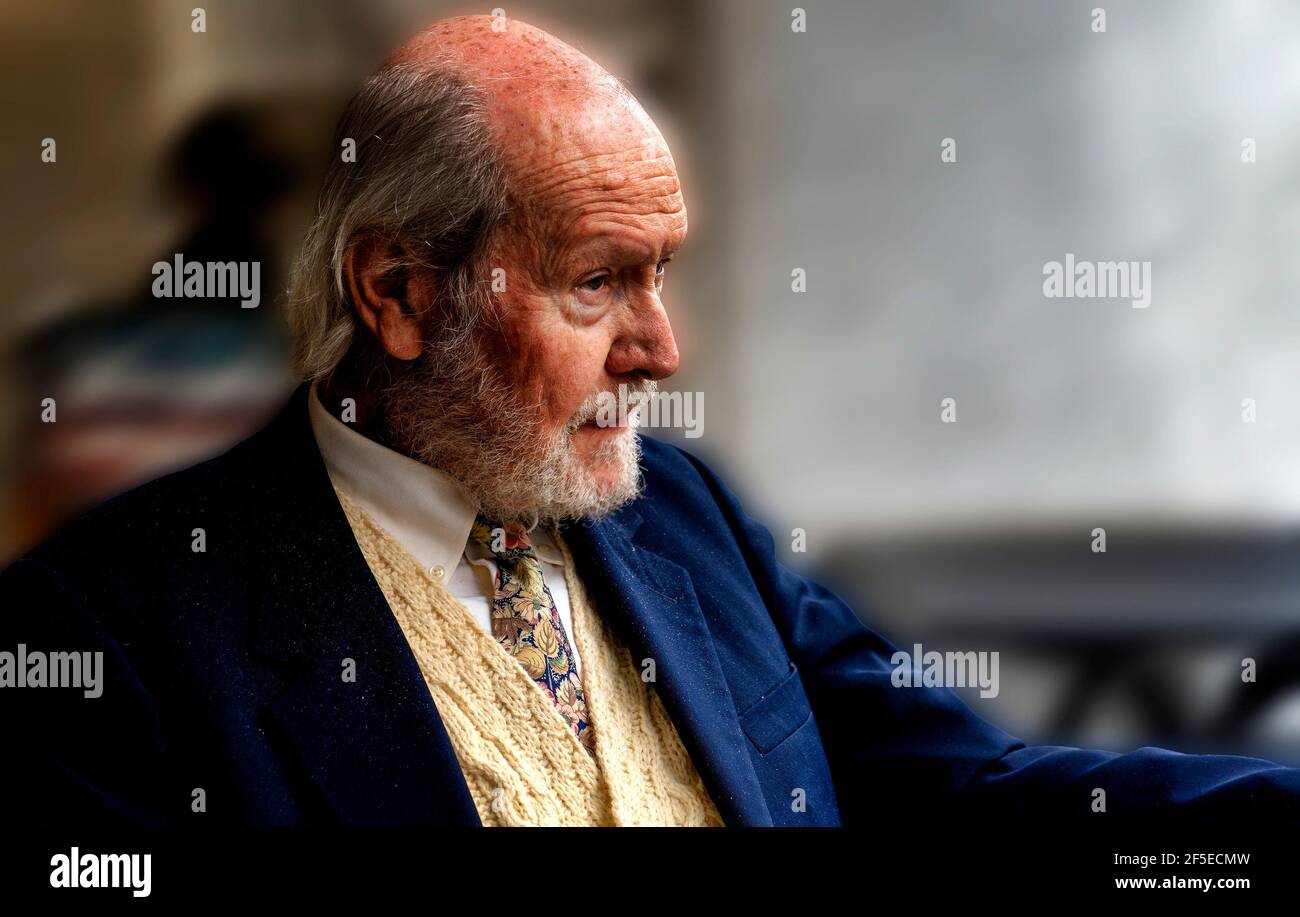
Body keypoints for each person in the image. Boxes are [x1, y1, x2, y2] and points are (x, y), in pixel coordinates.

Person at [3, 15, 1297, 827]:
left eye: (661, 273)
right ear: (397, 293)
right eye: (595, 282)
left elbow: (962, 794)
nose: (659, 349)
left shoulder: (686, 508)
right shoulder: (102, 627)